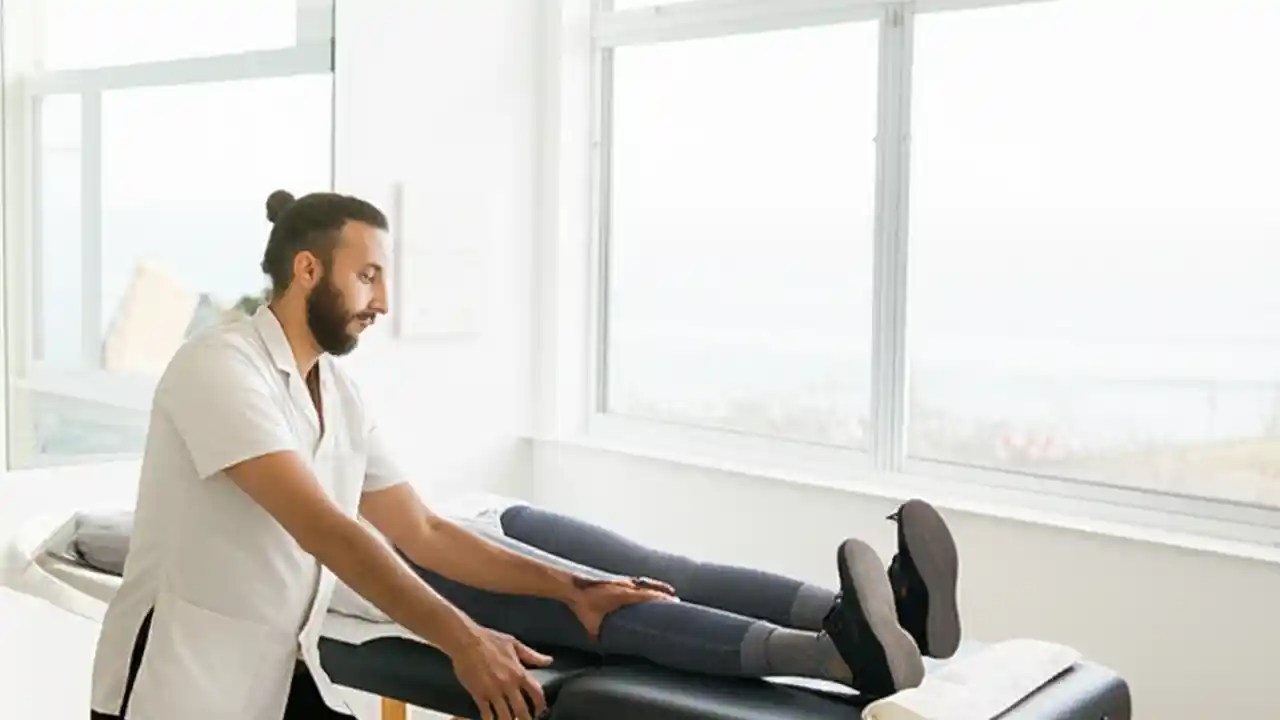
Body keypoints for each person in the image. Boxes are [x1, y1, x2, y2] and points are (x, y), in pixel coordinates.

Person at [89, 190, 962, 720]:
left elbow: (420, 529)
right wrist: (465, 638)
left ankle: (865, 631)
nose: (384, 302)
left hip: (274, 679)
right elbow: (330, 531)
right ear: (308, 272)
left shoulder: (339, 393)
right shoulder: (219, 367)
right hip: (179, 690)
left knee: (645, 574)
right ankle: (838, 648)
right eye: (368, 278)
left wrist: (567, 586)